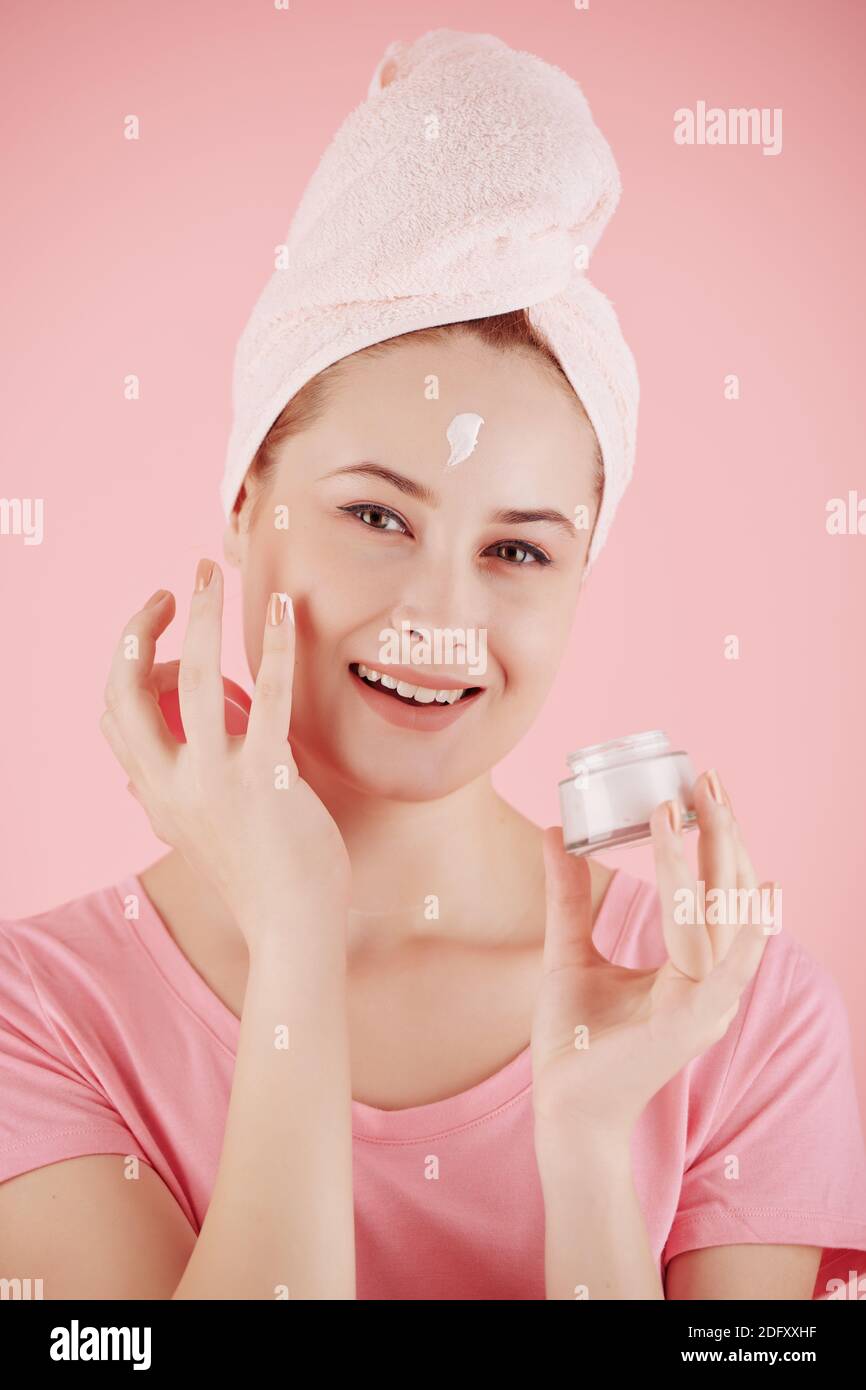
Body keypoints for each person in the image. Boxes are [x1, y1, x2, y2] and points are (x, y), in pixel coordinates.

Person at [3, 30, 866, 1301]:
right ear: (245, 504)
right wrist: (296, 939)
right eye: (377, 517)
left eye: (517, 550)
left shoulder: (727, 1007)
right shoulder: (38, 1015)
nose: (441, 614)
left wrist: (582, 1151)